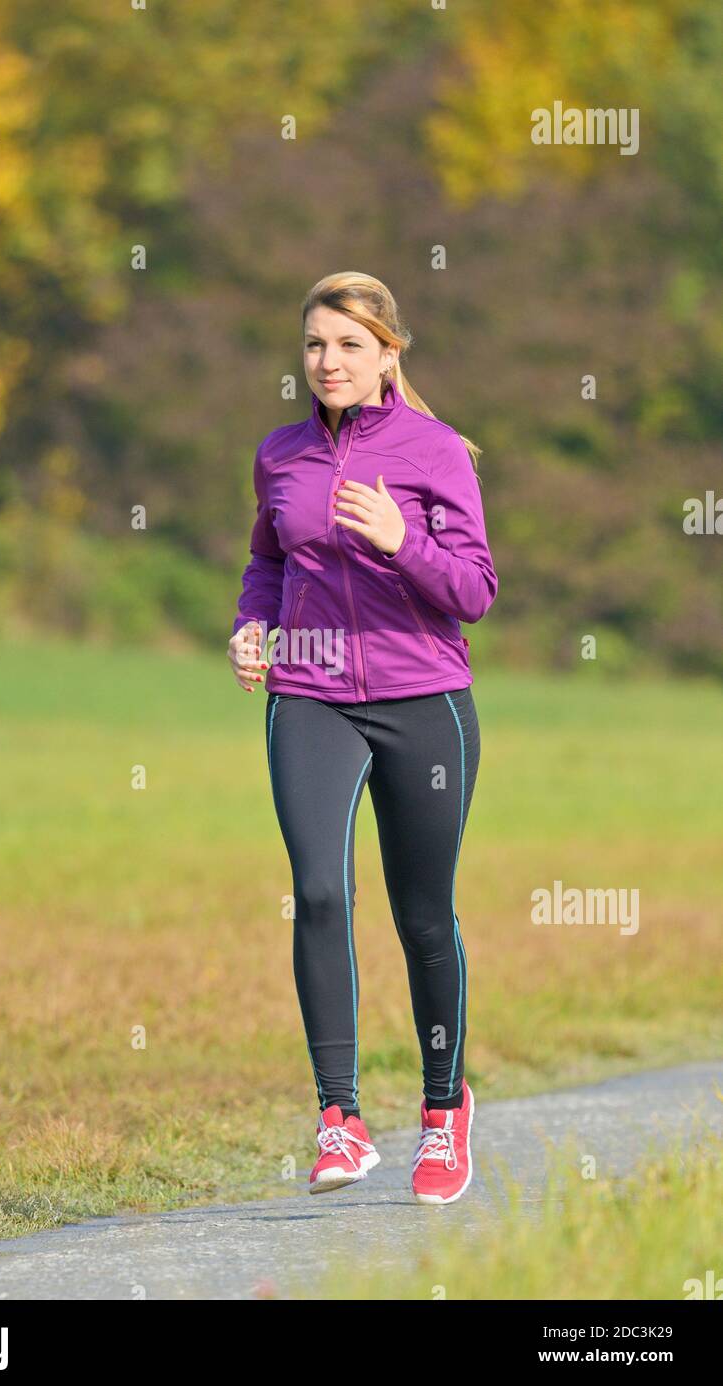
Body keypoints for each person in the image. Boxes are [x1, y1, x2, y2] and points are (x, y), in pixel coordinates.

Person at [227, 271, 498, 1205]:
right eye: (314, 344)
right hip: (310, 694)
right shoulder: (280, 454)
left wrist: (398, 539)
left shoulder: (436, 451)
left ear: (389, 354)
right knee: (316, 891)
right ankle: (338, 1117)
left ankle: (443, 1111)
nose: (328, 361)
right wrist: (254, 626)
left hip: (425, 699)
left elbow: (475, 591)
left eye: (348, 344)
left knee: (422, 914)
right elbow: (267, 561)